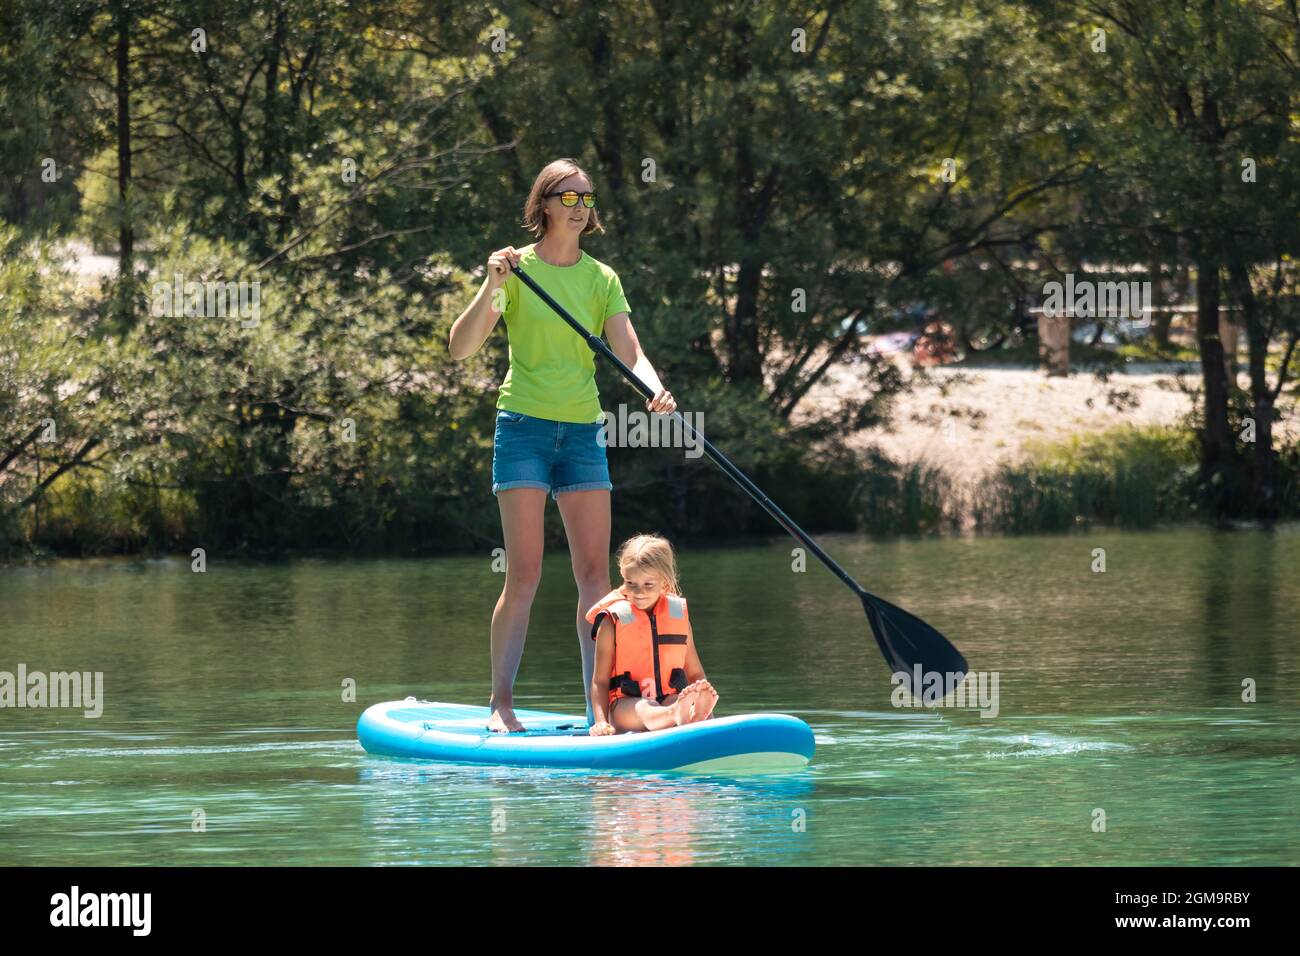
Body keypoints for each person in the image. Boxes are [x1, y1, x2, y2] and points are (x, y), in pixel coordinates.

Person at [447, 158, 677, 733]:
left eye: (586, 199)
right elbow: (460, 347)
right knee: (523, 575)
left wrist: (653, 387)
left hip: (582, 434)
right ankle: (501, 704)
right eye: (568, 198)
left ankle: (598, 711)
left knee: (596, 579)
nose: (580, 208)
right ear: (544, 205)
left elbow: (630, 349)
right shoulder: (516, 271)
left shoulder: (602, 279)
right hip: (523, 427)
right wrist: (491, 285)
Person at [585, 534, 718, 735]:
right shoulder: (611, 621)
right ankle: (678, 715)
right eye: (631, 584)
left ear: (664, 583)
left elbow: (695, 673)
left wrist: (705, 706)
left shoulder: (677, 616)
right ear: (623, 576)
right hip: (626, 708)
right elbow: (600, 682)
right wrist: (601, 722)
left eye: (648, 585)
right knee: (645, 707)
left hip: (668, 699)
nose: (639, 592)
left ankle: (690, 713)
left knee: (674, 701)